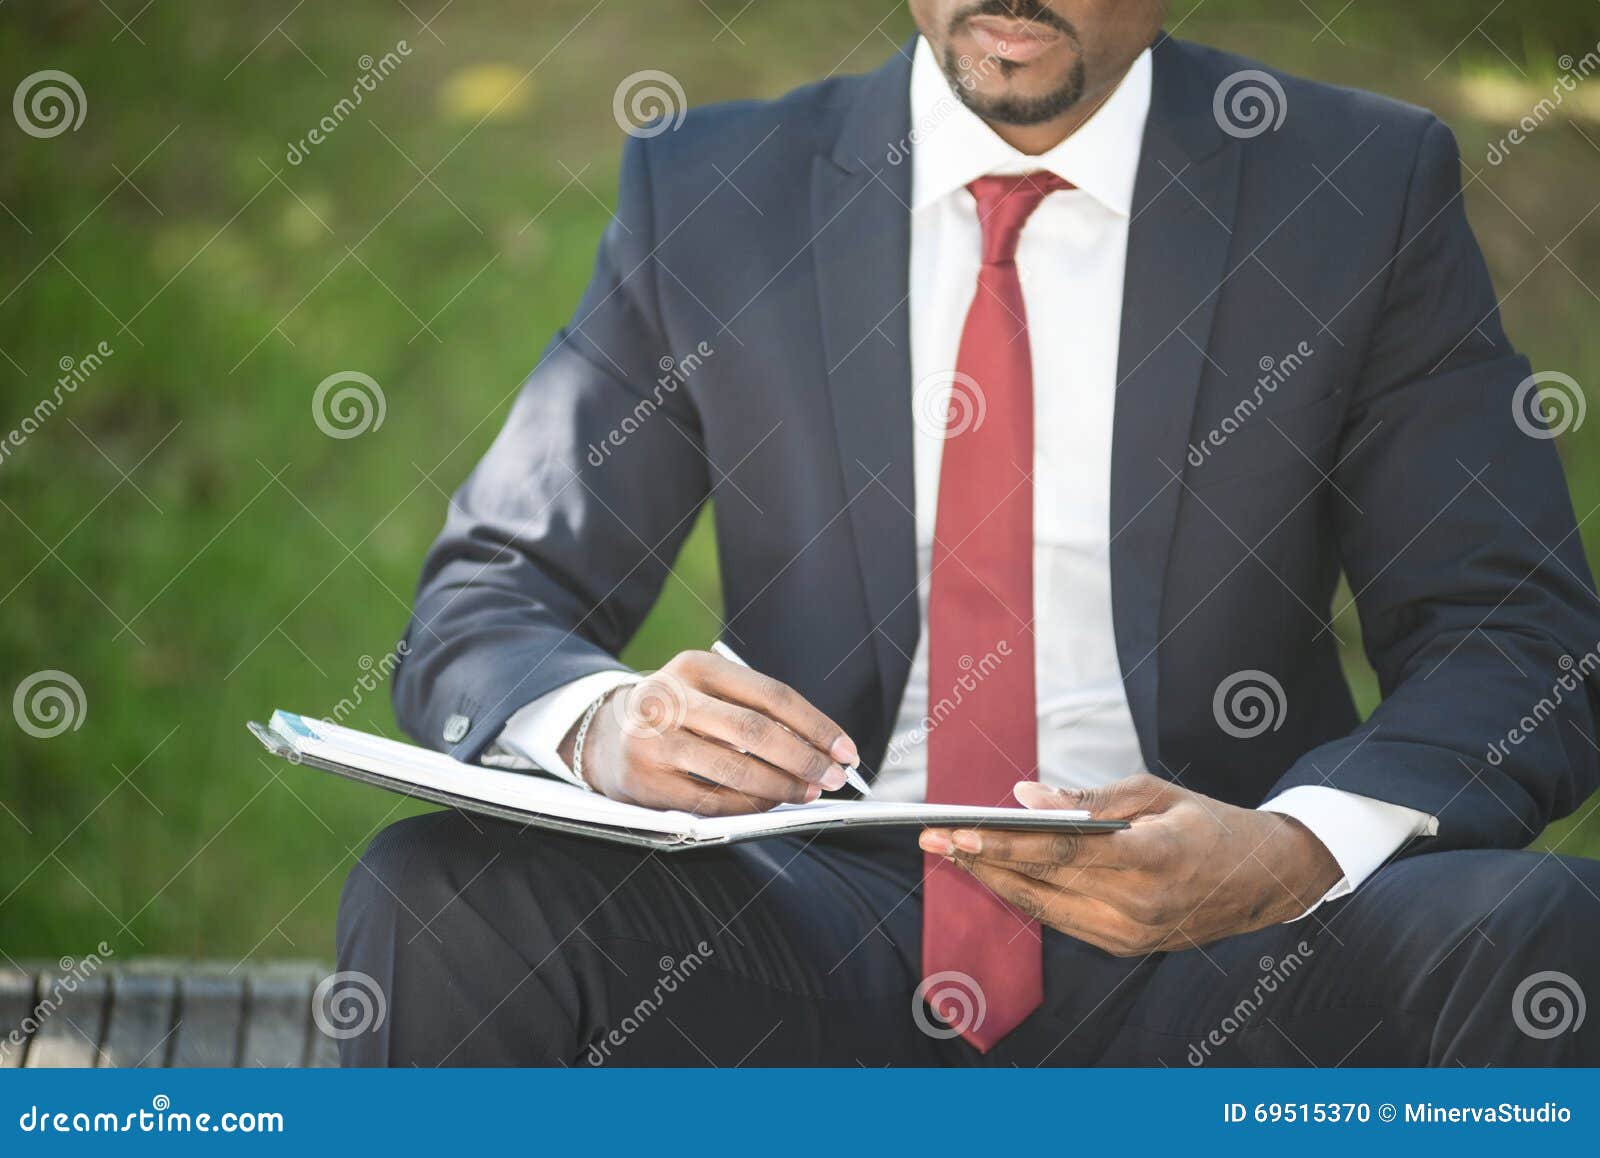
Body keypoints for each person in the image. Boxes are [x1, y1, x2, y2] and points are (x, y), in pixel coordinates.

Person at [337, 0, 1600, 1065]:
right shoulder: (715, 194)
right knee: (444, 896)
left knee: (1532, 925)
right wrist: (608, 726)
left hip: (1223, 926)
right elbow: (493, 595)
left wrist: (1289, 851)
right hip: (809, 913)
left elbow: (1513, 630)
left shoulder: (1354, 189)